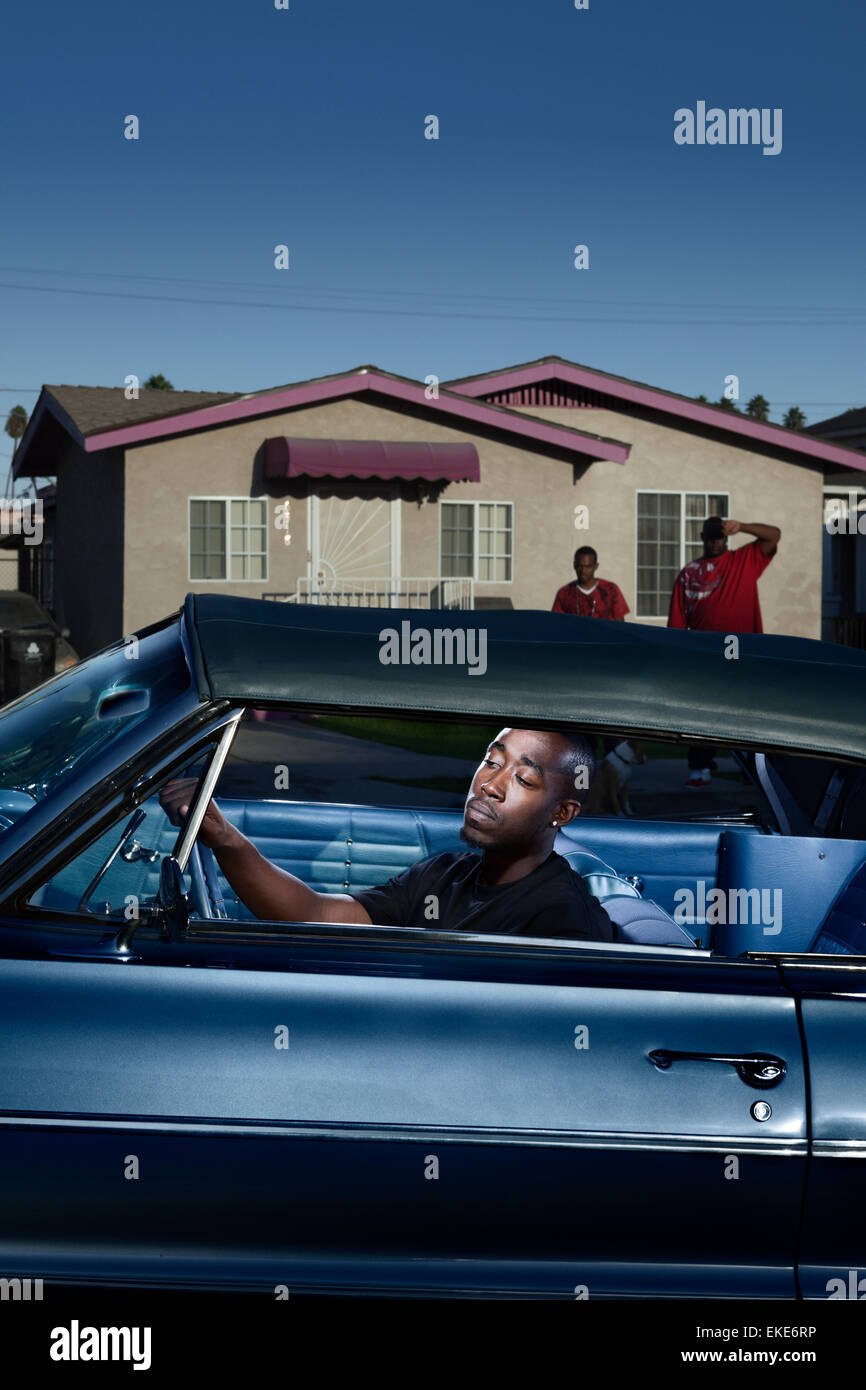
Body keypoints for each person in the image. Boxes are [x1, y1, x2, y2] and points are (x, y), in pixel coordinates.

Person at [159, 727, 616, 942]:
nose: (490, 785)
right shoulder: (445, 874)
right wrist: (225, 837)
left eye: (523, 780)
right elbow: (316, 912)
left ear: (563, 811)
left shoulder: (562, 917)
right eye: (492, 762)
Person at [668, 515, 780, 788]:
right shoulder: (689, 572)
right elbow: (676, 624)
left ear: (726, 538)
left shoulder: (744, 560)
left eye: (720, 536)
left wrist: (742, 526)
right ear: (702, 537)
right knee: (704, 715)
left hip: (743, 655)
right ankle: (699, 770)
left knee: (747, 716)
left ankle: (753, 774)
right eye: (711, 535)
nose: (715, 540)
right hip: (705, 658)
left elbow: (773, 534)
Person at [552, 546, 630, 621]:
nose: (583, 570)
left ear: (596, 566)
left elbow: (620, 624)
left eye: (588, 566)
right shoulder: (564, 593)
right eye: (580, 566)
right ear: (574, 565)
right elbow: (556, 623)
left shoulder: (611, 590)